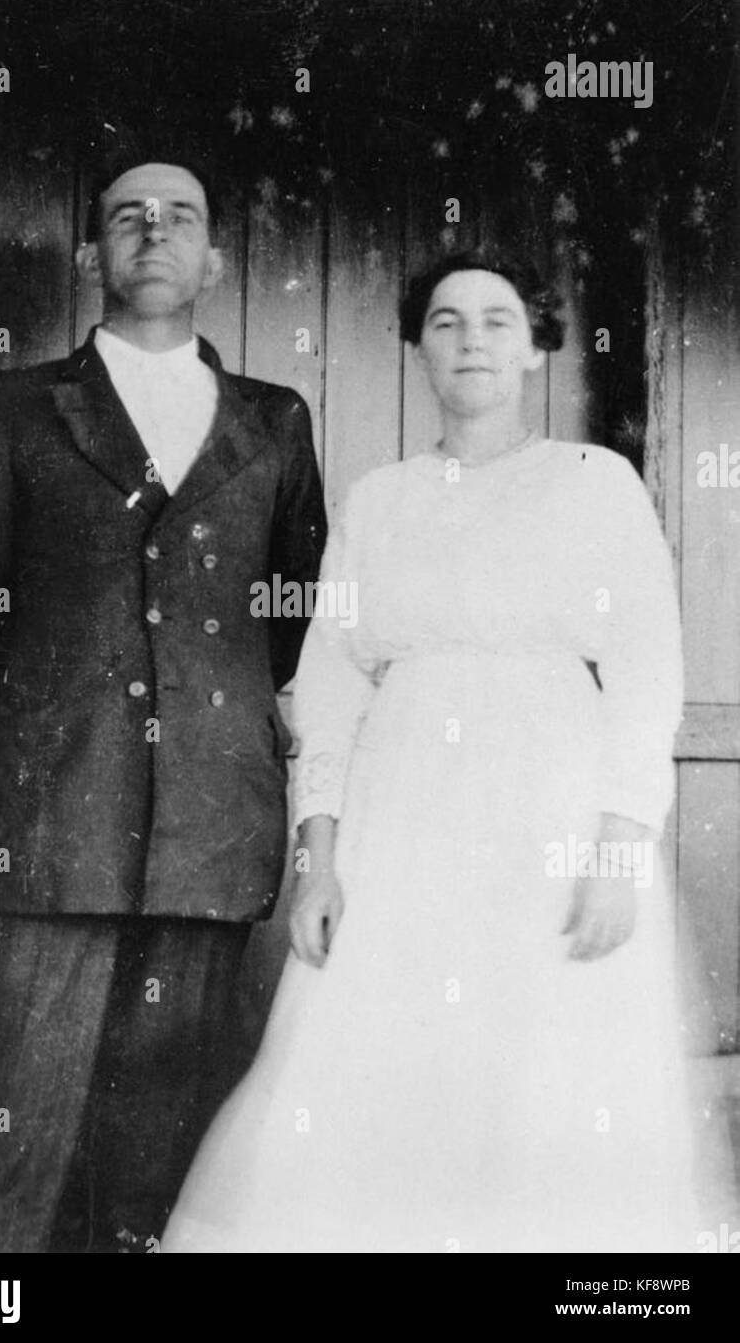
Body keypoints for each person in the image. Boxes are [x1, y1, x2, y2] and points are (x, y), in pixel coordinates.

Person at [161, 247, 724, 1253]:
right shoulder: (380, 498)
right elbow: (329, 681)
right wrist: (320, 857)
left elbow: (645, 671)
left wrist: (613, 849)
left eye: (497, 321)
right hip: (405, 814)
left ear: (536, 348)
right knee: (380, 1055)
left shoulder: (593, 482)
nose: (472, 341)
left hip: (543, 813)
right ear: (418, 346)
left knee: (540, 1063)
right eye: (448, 322)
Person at [0, 148, 327, 1253]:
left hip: (207, 843)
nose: (154, 230)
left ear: (215, 254)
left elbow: (291, 623)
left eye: (179, 215)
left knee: (154, 1193)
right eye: (127, 215)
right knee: (3, 1177)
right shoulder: (10, 408)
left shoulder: (275, 422)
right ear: (92, 250)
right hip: (45, 838)